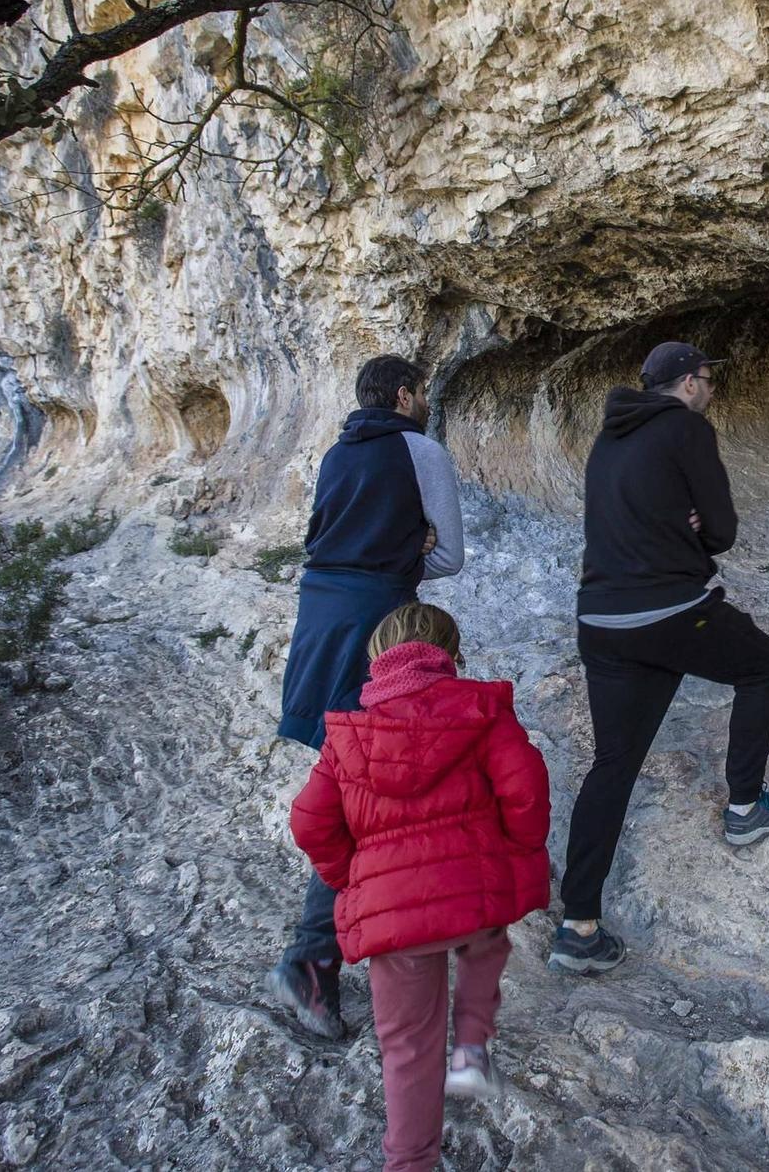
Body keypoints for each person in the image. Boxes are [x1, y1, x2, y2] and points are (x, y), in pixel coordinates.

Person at [548, 341, 769, 975]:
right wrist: (695, 526)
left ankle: (578, 925)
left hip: (601, 617)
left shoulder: (608, 440)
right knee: (762, 666)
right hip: (668, 610)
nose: (711, 389)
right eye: (707, 379)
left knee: (613, 763)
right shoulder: (688, 429)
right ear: (688, 384)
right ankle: (747, 808)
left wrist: (678, 521)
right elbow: (721, 531)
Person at [290, 603, 550, 1172]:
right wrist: (516, 852)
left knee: (407, 1046)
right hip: (473, 897)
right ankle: (472, 1045)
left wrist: (351, 880)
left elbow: (310, 823)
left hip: (395, 922)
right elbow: (526, 791)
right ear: (451, 656)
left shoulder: (348, 734)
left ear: (376, 663)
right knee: (486, 943)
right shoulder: (482, 709)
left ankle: (411, 1162)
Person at [266, 355, 465, 1038]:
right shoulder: (421, 450)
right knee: (368, 786)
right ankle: (311, 956)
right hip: (378, 621)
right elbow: (450, 558)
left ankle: (335, 940)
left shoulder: (334, 454)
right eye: (424, 394)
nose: (427, 405)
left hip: (319, 616)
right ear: (406, 394)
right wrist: (415, 551)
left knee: (349, 775)